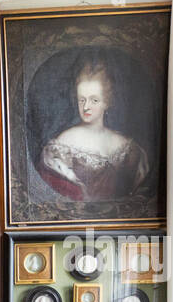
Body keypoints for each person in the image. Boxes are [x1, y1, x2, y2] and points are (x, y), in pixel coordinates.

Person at [38, 59, 149, 202]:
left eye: (94, 100)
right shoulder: (64, 142)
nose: (86, 107)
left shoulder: (127, 146)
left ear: (106, 102)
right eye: (81, 100)